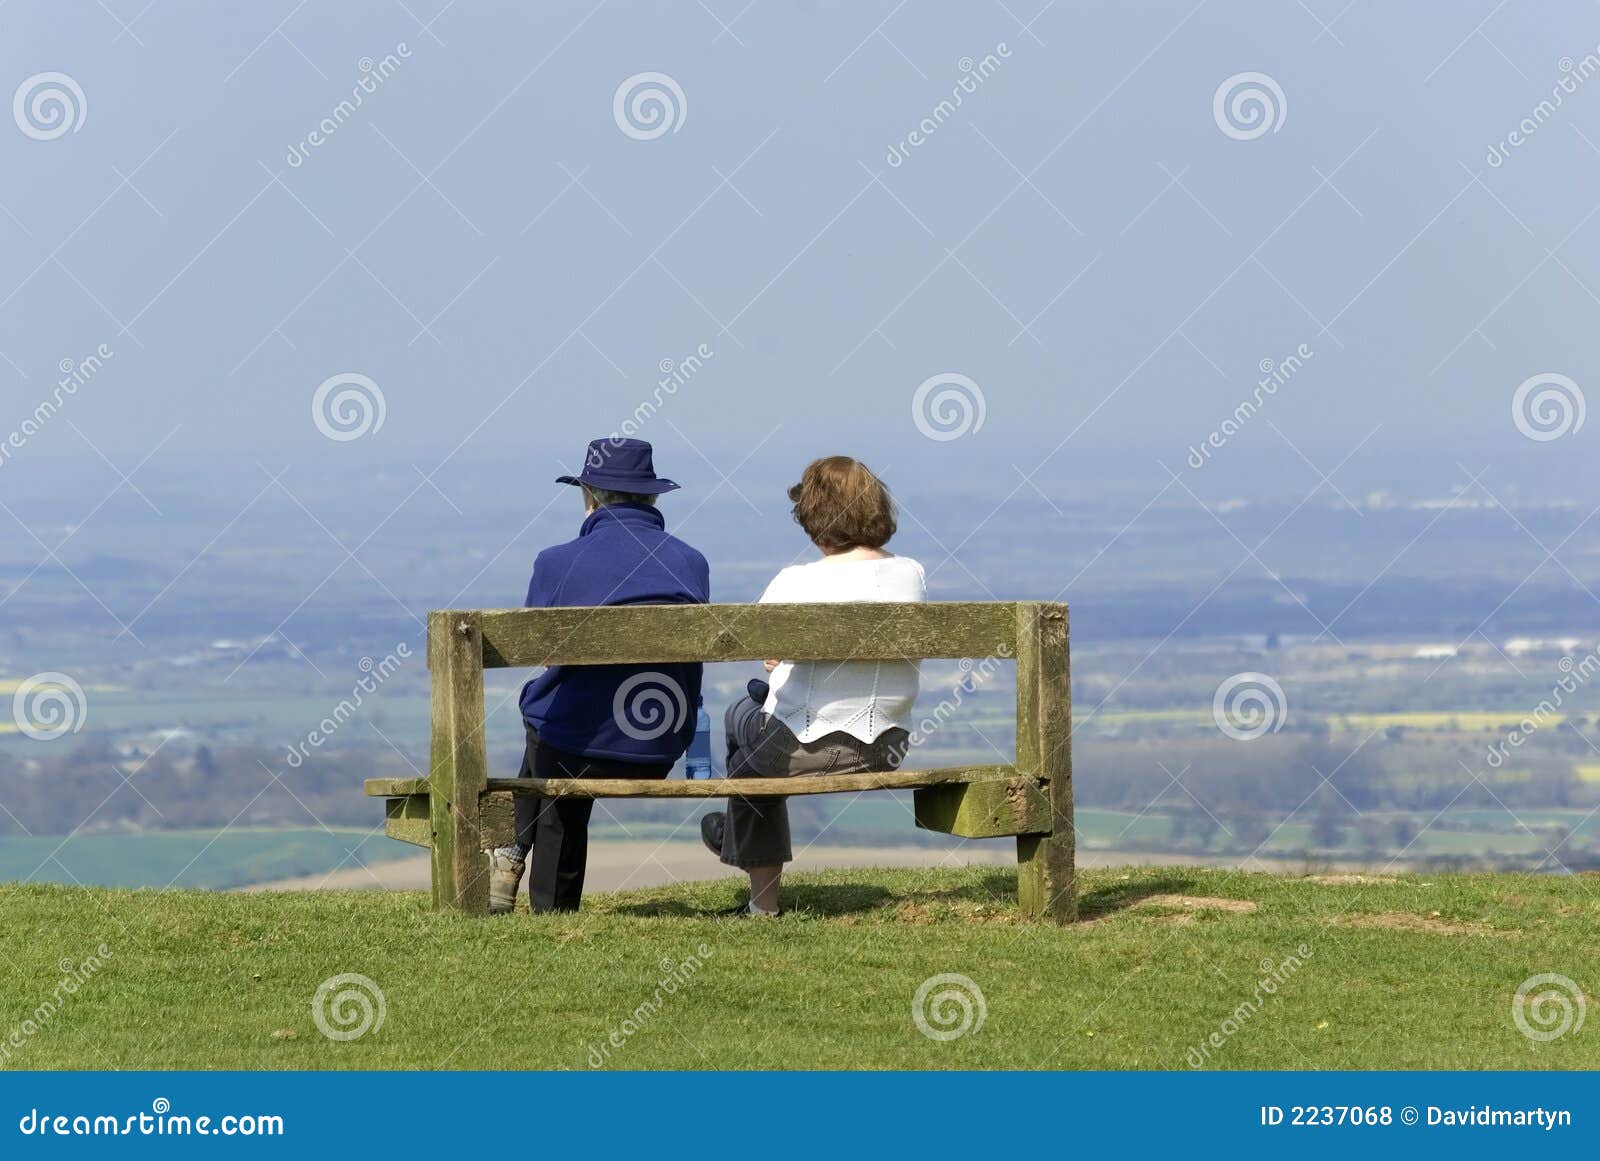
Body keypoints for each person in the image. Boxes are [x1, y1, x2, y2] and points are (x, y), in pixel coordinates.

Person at [488, 438, 710, 914]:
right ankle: (511, 857)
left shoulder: (557, 562)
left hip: (574, 751)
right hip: (658, 742)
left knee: (544, 714)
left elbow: (541, 653)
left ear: (589, 498)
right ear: (652, 498)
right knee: (555, 719)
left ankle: (532, 885)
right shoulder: (692, 562)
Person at [700, 456, 923, 916]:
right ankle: (738, 841)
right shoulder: (911, 574)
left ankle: (758, 894)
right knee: (750, 751)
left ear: (813, 516)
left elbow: (758, 647)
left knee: (740, 723)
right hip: (888, 746)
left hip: (807, 751)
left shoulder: (796, 581)